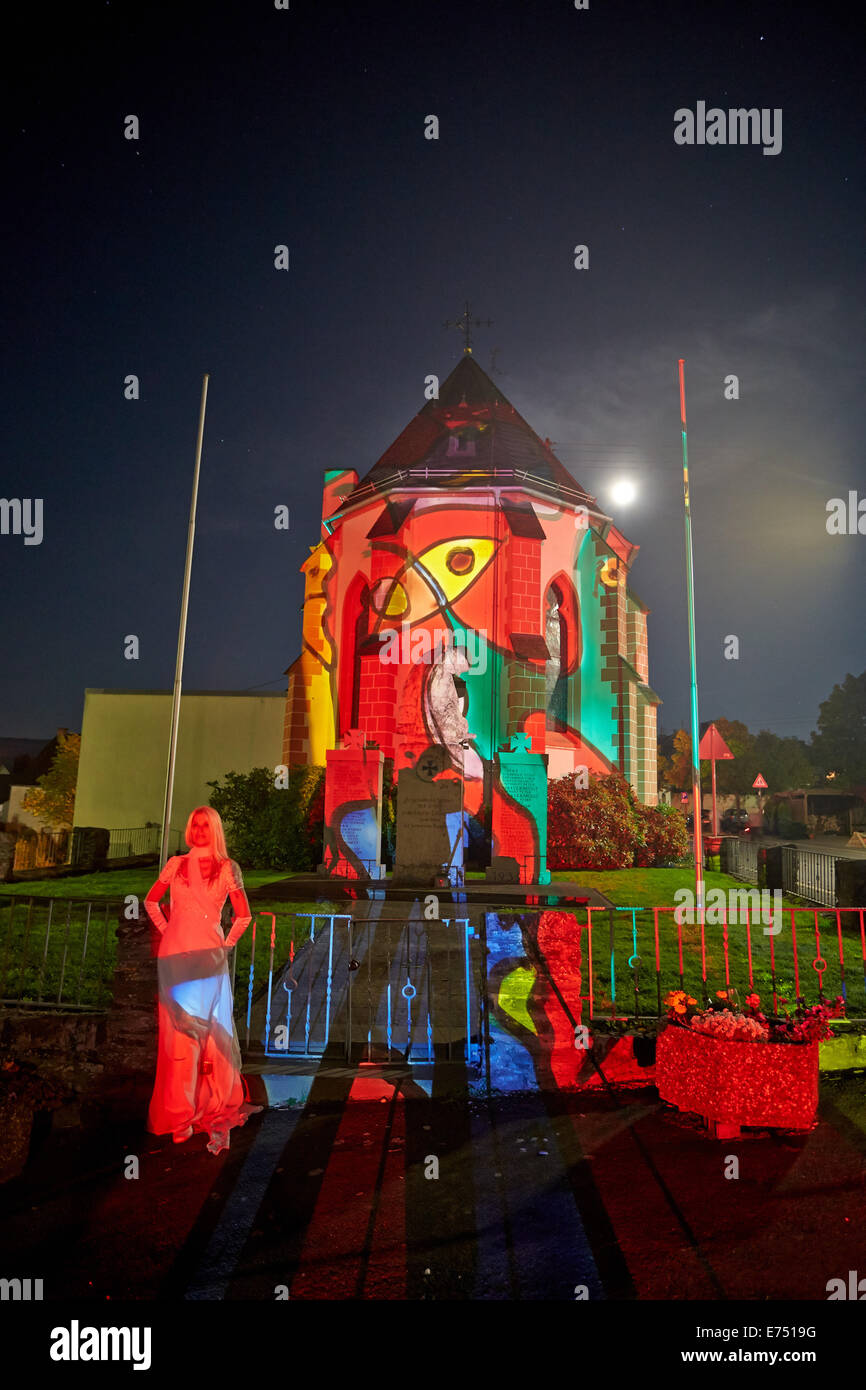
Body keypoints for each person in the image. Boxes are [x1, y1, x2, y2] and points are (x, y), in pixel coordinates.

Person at [143, 805, 262, 1154]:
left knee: (209, 1032)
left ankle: (212, 1102)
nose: (198, 831)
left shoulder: (228, 869)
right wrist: (170, 934)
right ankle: (180, 1115)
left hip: (208, 959)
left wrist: (222, 945)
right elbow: (151, 903)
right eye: (194, 825)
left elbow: (243, 916)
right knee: (179, 1035)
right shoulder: (176, 865)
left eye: (205, 826)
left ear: (215, 831)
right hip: (175, 959)